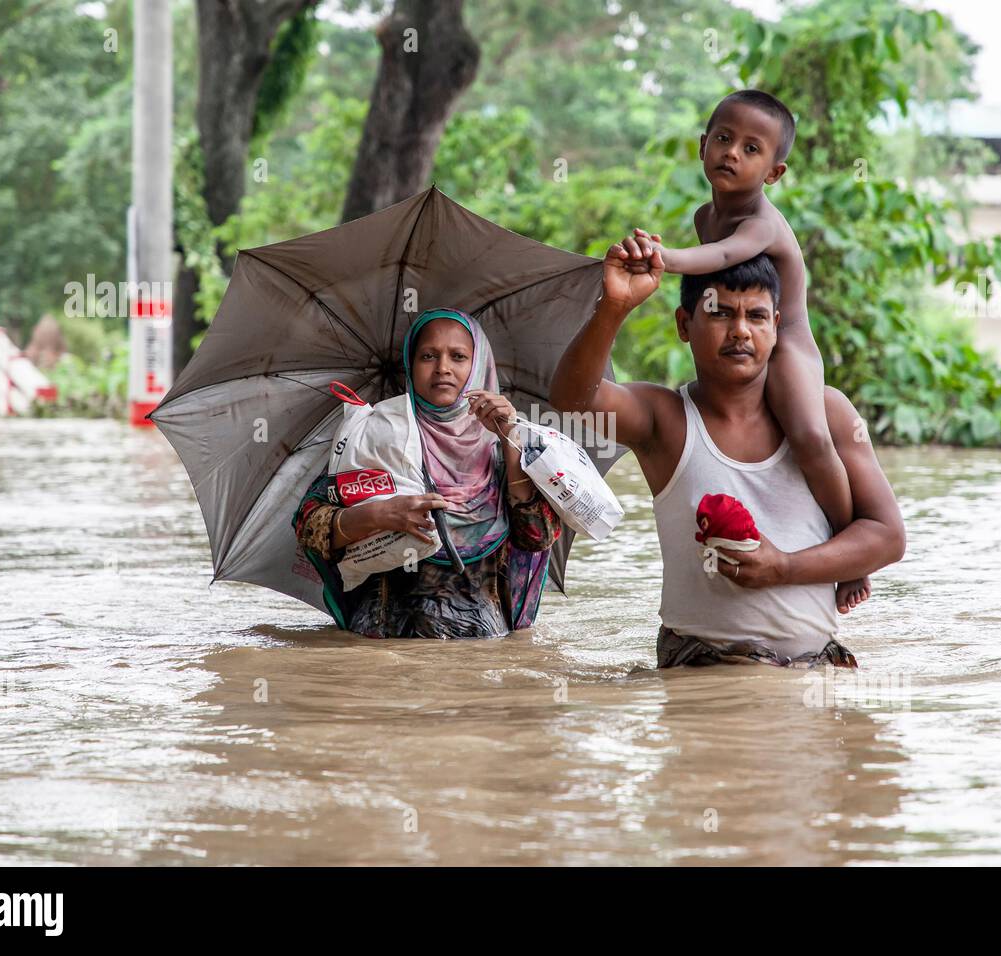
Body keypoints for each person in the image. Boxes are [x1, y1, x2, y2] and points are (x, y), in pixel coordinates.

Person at [550, 247, 905, 668]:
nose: (740, 331)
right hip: (703, 668)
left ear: (775, 326)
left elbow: (888, 536)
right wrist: (615, 305)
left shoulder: (827, 414)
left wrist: (784, 568)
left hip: (817, 668)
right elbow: (574, 399)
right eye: (720, 314)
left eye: (755, 316)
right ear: (685, 325)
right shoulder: (665, 420)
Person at [615, 89, 856, 543]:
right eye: (724, 139)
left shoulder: (761, 223)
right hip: (736, 332)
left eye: (751, 149)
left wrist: (661, 255)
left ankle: (846, 536)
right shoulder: (705, 214)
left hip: (786, 342)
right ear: (703, 144)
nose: (732, 153)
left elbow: (724, 253)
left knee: (809, 436)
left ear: (774, 173)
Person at [292, 308, 561, 639]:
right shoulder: (377, 436)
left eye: (458, 356)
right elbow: (309, 528)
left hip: (478, 642)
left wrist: (510, 439)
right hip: (381, 640)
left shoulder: (504, 446)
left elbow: (537, 537)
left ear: (478, 366)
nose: (443, 368)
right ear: (410, 364)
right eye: (428, 356)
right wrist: (379, 514)